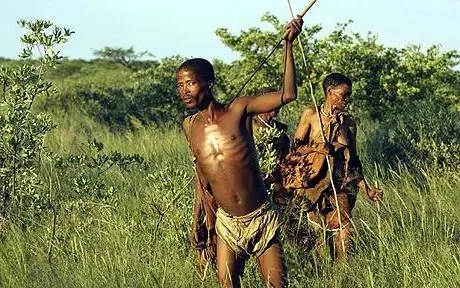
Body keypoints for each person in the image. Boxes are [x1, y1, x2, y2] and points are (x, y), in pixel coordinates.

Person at [177, 17, 303, 288]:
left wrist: (288, 46)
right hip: (226, 224)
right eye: (180, 85)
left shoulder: (239, 109)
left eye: (190, 83)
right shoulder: (189, 126)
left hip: (260, 217)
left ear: (208, 83)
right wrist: (203, 225)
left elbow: (288, 95)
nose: (183, 91)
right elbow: (203, 181)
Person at [276, 72, 383, 261]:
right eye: (344, 95)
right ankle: (321, 271)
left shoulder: (348, 123)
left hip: (339, 183)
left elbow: (354, 161)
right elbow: (296, 148)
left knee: (343, 227)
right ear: (329, 92)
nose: (347, 100)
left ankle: (341, 274)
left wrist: (367, 190)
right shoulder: (311, 115)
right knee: (317, 234)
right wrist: (316, 147)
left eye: (349, 95)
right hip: (312, 182)